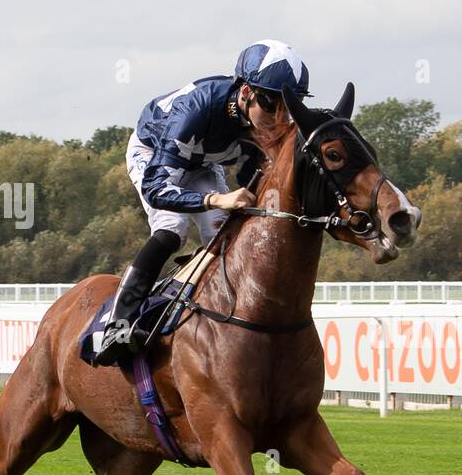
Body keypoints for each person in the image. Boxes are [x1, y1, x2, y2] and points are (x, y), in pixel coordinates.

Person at [91, 39, 312, 366]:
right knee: (172, 228)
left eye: (287, 107)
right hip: (155, 155)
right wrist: (218, 198)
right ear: (246, 92)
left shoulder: (266, 124)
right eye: (270, 104)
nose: (278, 118)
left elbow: (255, 180)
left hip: (204, 163)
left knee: (221, 233)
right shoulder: (196, 110)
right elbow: (157, 189)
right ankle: (118, 322)